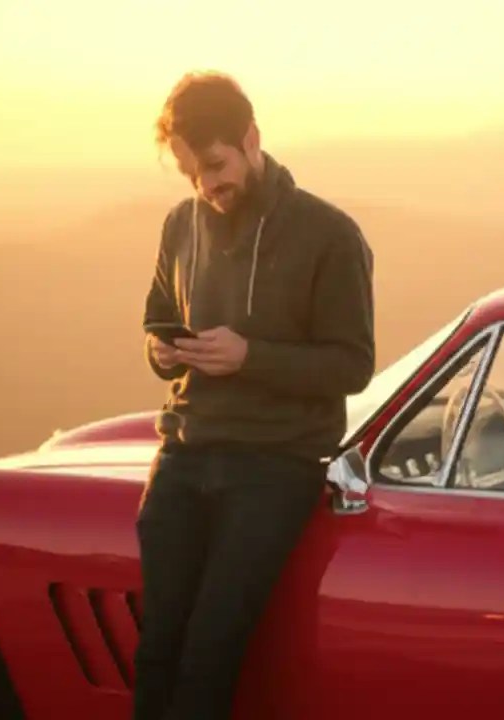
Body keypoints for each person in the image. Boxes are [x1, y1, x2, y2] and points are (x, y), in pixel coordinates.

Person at [134, 71, 375, 719]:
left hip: (274, 468)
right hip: (183, 459)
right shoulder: (180, 225)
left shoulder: (329, 234)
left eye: (214, 165)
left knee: (211, 653)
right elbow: (158, 316)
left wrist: (250, 357)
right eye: (190, 174)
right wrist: (162, 352)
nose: (205, 187)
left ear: (251, 139)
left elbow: (352, 365)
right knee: (157, 650)